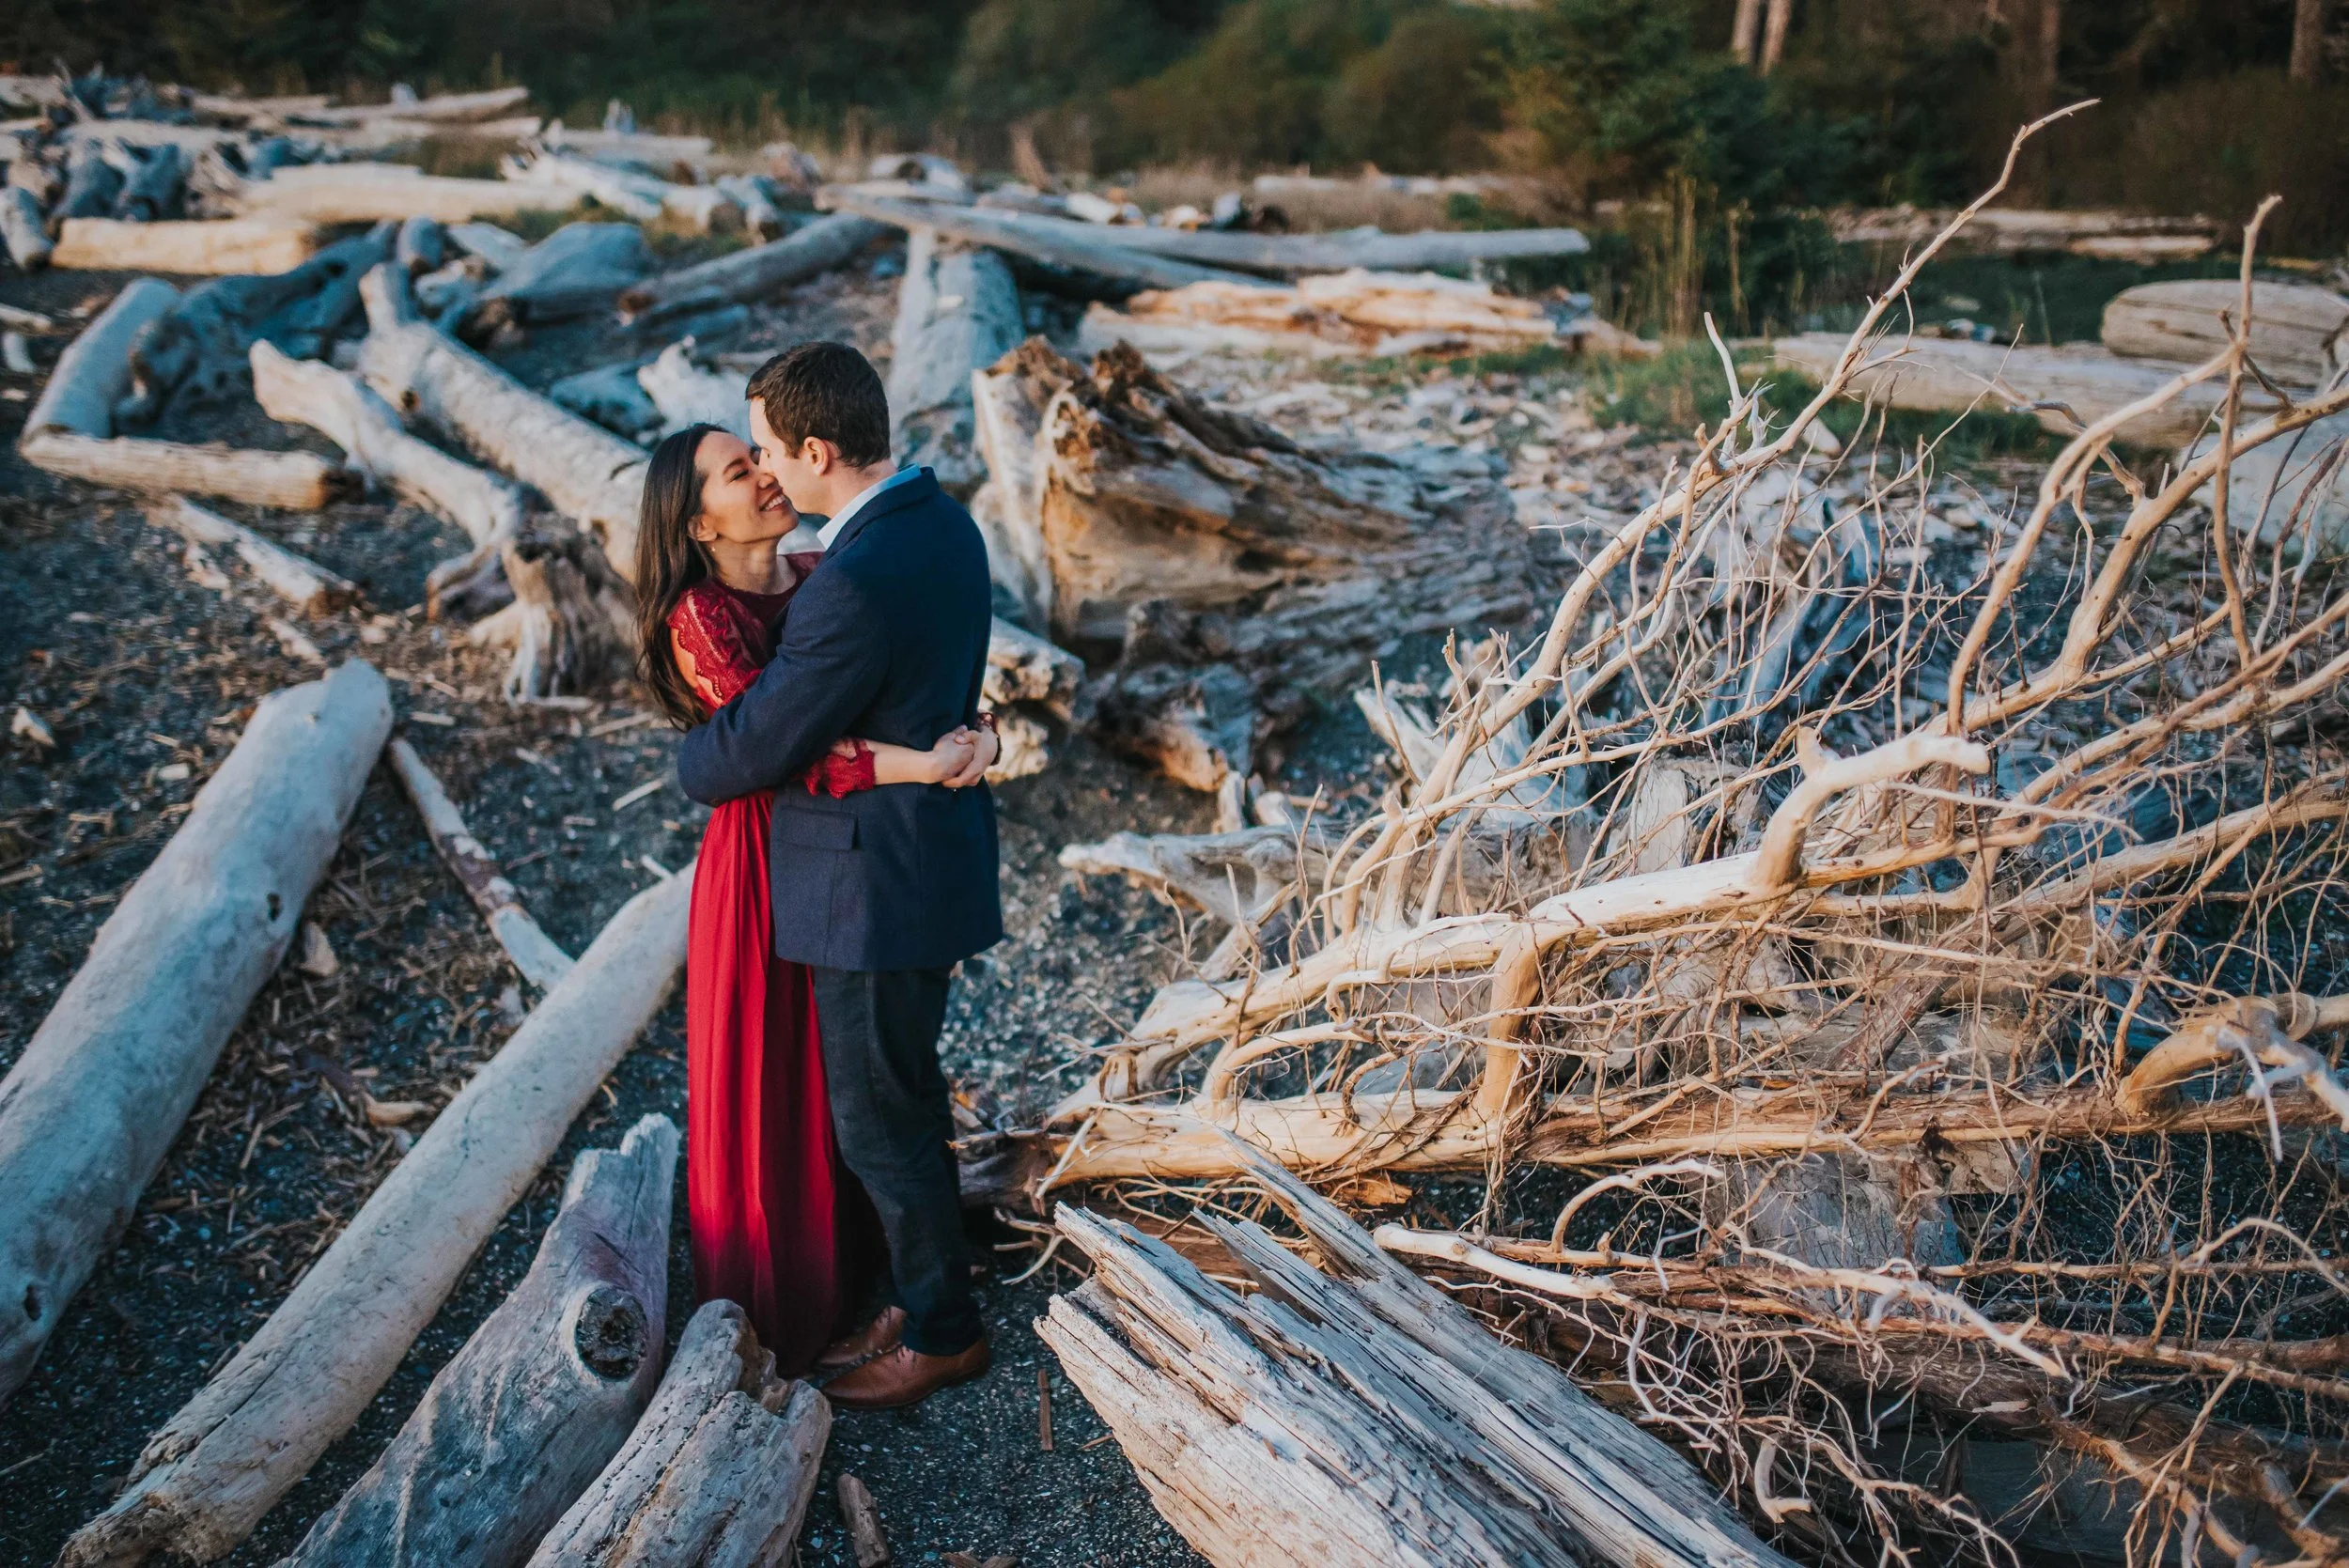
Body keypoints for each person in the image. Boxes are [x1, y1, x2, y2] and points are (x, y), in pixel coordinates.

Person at [676, 341, 1005, 1410]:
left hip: (871, 890)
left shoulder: (847, 585)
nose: (768, 468)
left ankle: (945, 1332)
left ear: (818, 449)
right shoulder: (946, 524)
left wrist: (693, 752)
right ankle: (918, 1291)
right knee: (902, 1093)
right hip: (932, 867)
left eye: (770, 448)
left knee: (878, 1118)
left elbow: (739, 756)